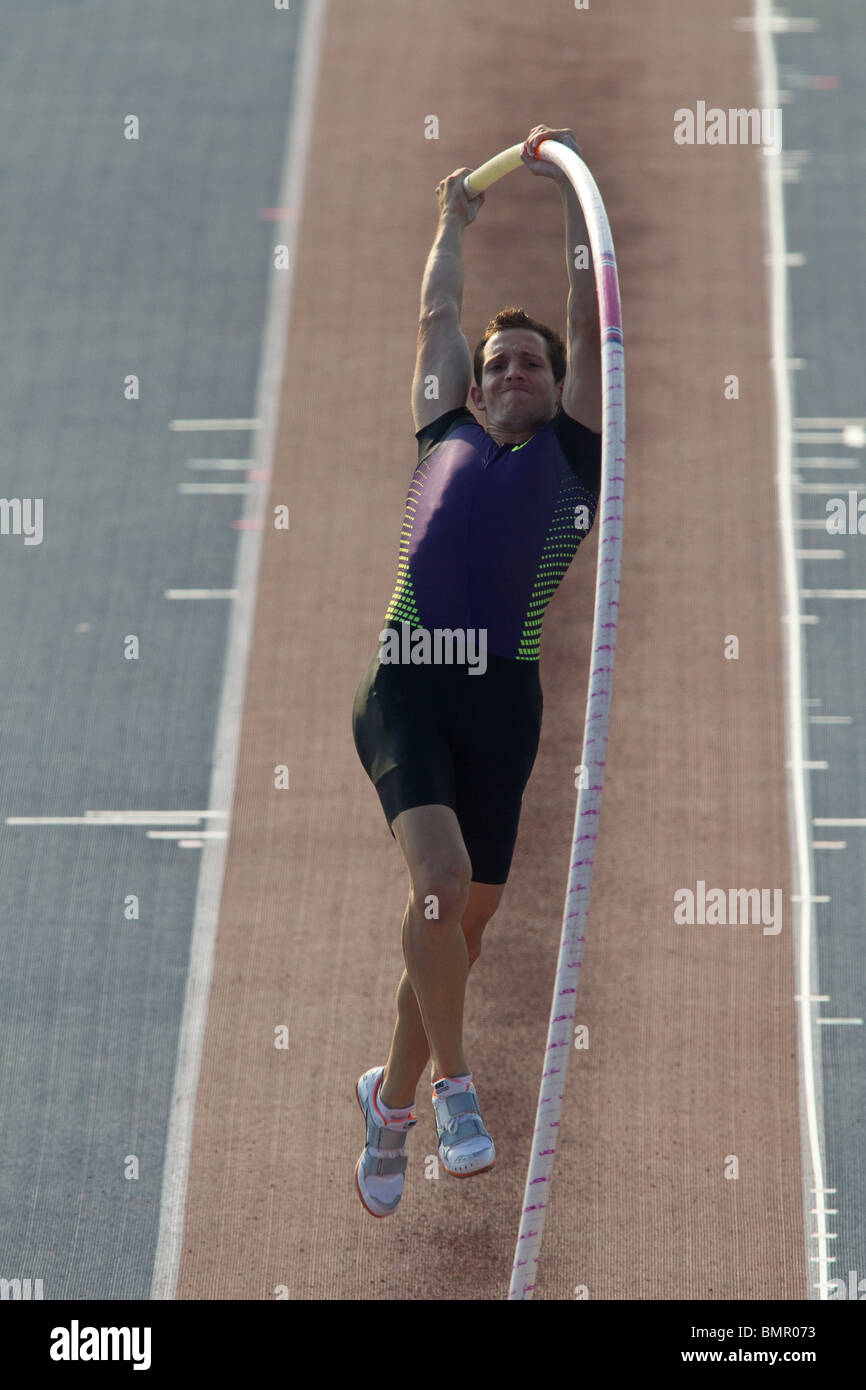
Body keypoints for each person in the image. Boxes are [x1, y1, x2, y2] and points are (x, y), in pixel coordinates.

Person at [352, 124, 603, 1217]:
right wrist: (452, 221)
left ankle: (389, 1100)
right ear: (474, 382)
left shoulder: (576, 452)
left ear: (553, 387)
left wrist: (569, 207)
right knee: (439, 886)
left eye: (529, 362)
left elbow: (590, 321)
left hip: (505, 700)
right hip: (409, 675)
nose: (509, 370)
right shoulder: (439, 427)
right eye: (497, 361)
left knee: (457, 929)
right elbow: (435, 317)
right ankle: (454, 1090)